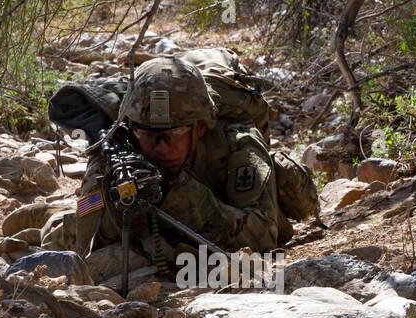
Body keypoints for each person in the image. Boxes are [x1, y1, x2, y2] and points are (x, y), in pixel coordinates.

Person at [59, 56, 283, 283]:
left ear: (201, 128)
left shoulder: (237, 142)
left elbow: (264, 237)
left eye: (174, 134)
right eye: (147, 134)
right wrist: (117, 214)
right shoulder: (118, 151)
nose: (161, 147)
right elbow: (84, 244)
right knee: (56, 231)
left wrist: (181, 194)